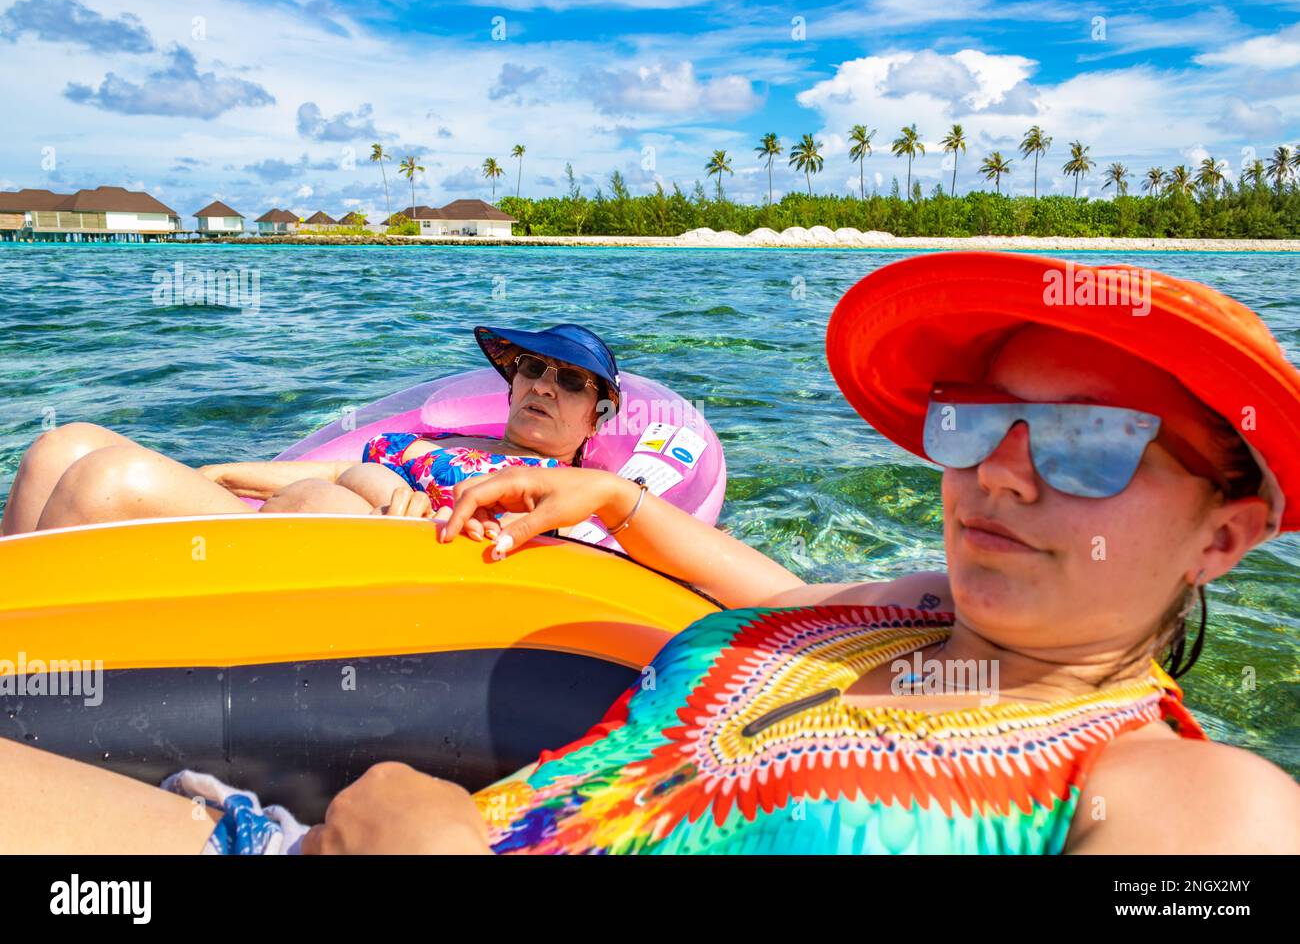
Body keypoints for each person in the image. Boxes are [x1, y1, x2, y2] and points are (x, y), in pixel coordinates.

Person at [3, 252, 1298, 854]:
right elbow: (781, 594)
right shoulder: (910, 620)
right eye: (976, 427)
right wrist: (613, 512)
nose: (1001, 472)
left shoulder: (1191, 798)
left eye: (1088, 445)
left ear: (1225, 538)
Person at [0, 324, 621, 538]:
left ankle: (33, 675)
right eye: (533, 369)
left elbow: (519, 537)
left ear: (597, 417)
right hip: (309, 514)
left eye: (570, 383)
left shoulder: (566, 486)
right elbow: (327, 470)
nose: (542, 385)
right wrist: (219, 473)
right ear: (511, 384)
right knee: (64, 445)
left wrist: (400, 501)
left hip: (374, 550)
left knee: (109, 478)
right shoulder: (438, 446)